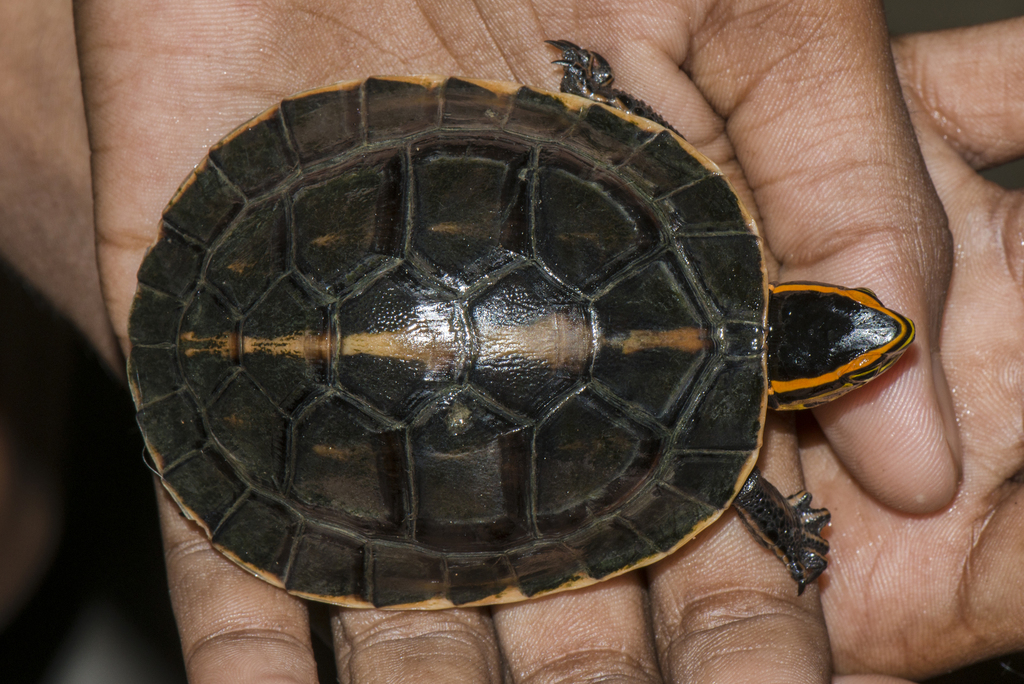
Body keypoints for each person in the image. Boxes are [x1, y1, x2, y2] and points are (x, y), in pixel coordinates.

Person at [2, 0, 1021, 680]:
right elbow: (726, 487)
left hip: (273, 247)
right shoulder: (714, 463)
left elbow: (613, 134)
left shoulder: (677, 214)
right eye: (869, 351)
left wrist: (595, 90)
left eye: (864, 352)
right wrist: (790, 533)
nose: (888, 337)